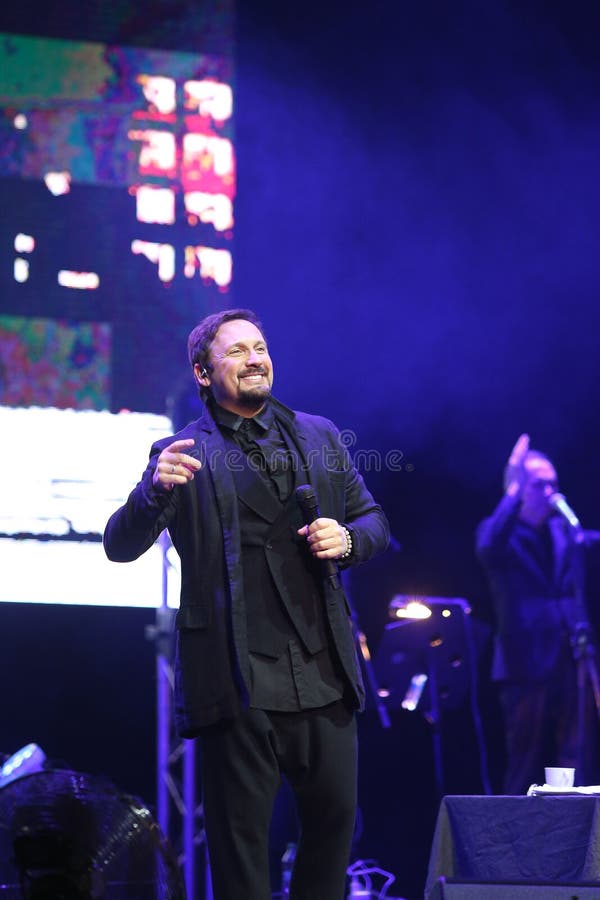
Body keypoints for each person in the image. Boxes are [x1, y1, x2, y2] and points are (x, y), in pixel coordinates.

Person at [103, 308, 390, 900]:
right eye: (236, 351)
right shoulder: (180, 452)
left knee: (333, 833)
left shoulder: (319, 436)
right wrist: (151, 491)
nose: (254, 359)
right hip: (237, 681)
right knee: (240, 856)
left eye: (259, 347)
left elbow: (373, 520)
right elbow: (119, 546)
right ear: (203, 373)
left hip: (323, 673)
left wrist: (348, 539)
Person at [476, 433, 597, 794]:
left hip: (571, 657)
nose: (550, 491)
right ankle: (515, 829)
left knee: (576, 757)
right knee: (524, 760)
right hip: (524, 662)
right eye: (539, 484)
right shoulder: (499, 534)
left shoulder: (564, 532)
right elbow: (488, 546)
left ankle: (576, 828)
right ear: (519, 489)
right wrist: (512, 488)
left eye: (553, 483)